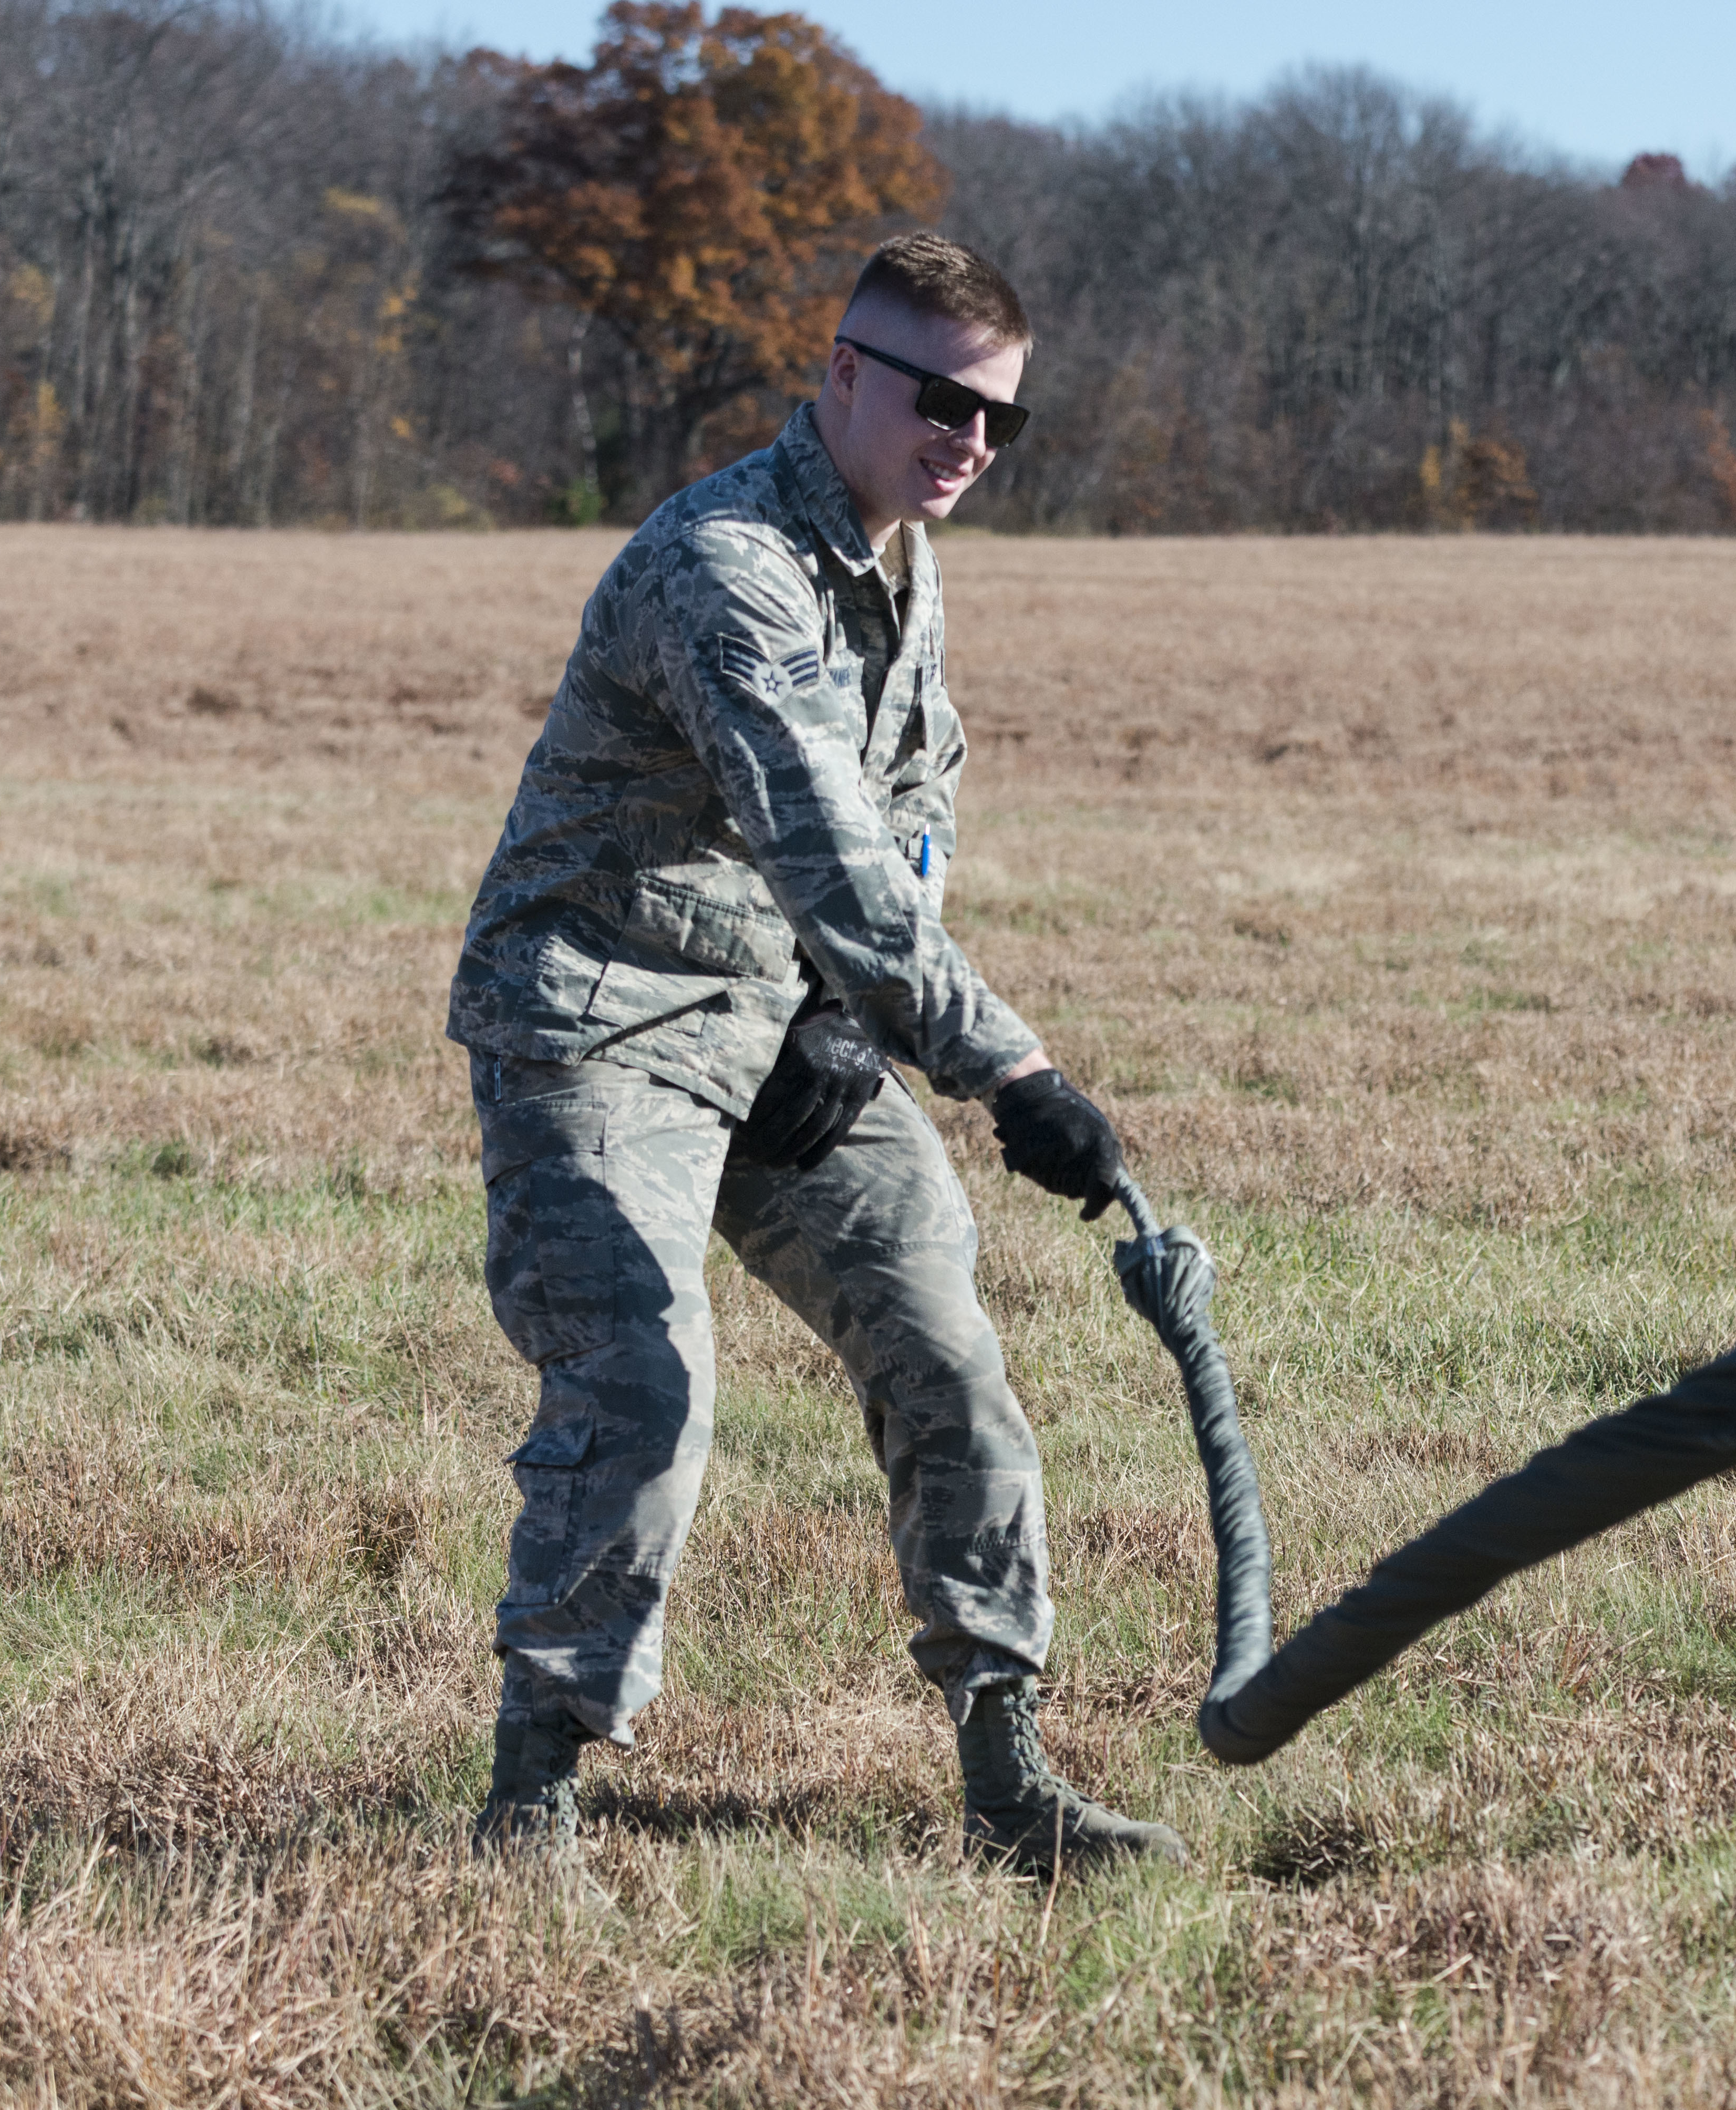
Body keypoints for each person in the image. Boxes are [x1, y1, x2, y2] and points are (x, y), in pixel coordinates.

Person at [445, 232, 1184, 1875]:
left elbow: (912, 825)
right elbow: (830, 856)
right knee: (641, 1376)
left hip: (789, 1028)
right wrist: (1011, 1073)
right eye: (941, 399)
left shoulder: (906, 568)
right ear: (843, 371)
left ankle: (1010, 1785)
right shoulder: (729, 564)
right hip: (602, 1020)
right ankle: (532, 1801)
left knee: (950, 1363)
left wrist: (844, 1026)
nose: (970, 442)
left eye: (1001, 418)